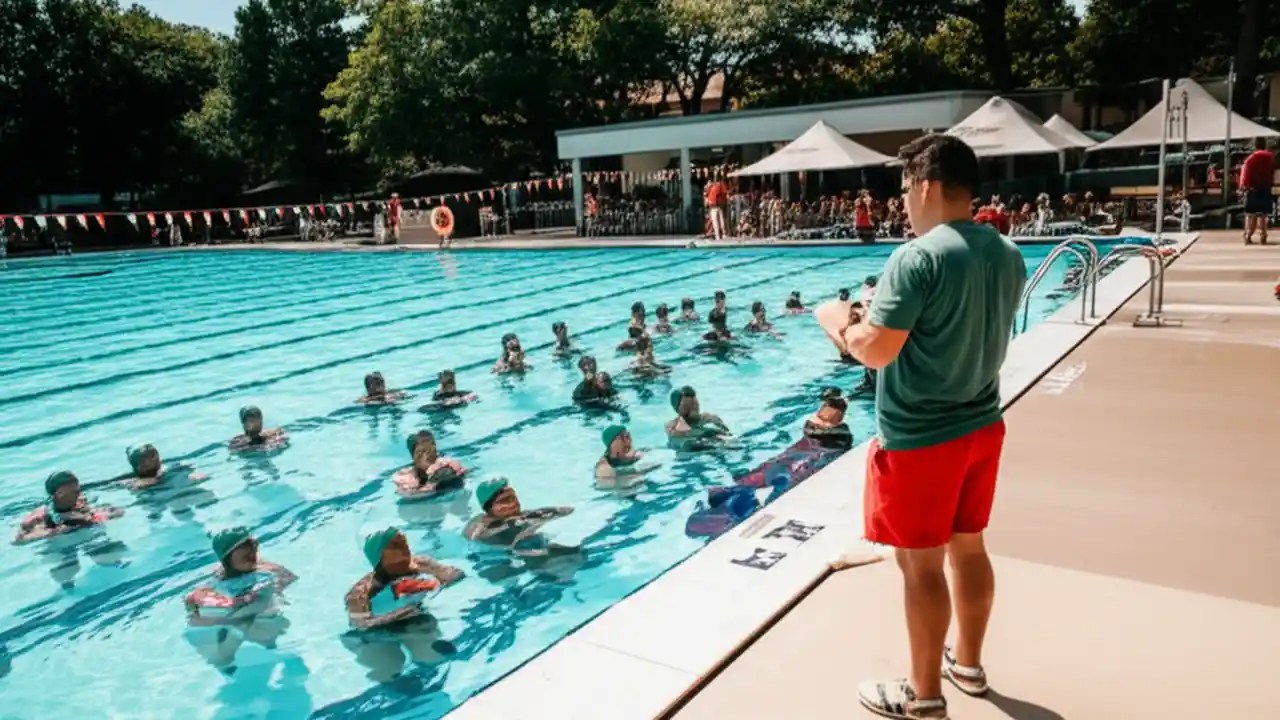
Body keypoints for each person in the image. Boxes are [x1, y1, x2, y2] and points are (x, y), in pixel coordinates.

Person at [845, 134, 1026, 720]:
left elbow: (875, 351)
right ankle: (968, 665)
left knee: (920, 566)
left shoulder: (916, 257)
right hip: (981, 426)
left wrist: (842, 325)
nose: (903, 203)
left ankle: (923, 698)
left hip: (922, 440)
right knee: (968, 550)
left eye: (903, 189)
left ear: (925, 185)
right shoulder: (1006, 252)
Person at [343, 528, 463, 678]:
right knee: (390, 668)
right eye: (395, 550)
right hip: (374, 634)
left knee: (432, 652)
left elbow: (456, 574)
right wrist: (399, 612)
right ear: (379, 559)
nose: (404, 552)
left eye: (404, 545)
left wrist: (433, 584)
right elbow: (361, 625)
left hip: (414, 620)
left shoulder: (420, 565)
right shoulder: (361, 593)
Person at [184, 528, 298, 672]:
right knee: (209, 636)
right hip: (238, 614)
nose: (254, 553)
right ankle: (228, 661)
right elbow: (195, 597)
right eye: (247, 552)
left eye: (254, 547)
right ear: (227, 558)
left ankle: (268, 645)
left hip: (262, 615)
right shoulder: (219, 574)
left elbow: (287, 580)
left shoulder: (265, 571)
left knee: (266, 619)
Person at [463, 478, 577, 557]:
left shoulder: (519, 516)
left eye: (514, 497)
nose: (515, 503)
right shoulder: (484, 529)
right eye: (506, 500)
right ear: (489, 508)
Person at [13, 471, 124, 544]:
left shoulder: (82, 505)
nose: (79, 493)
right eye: (75, 491)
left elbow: (118, 512)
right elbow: (18, 540)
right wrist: (56, 531)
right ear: (60, 493)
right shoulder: (40, 515)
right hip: (59, 544)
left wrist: (97, 518)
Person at [394, 431, 467, 499]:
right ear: (413, 457)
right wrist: (430, 485)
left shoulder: (446, 466)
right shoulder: (406, 476)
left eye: (431, 450)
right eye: (421, 452)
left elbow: (464, 477)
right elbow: (406, 495)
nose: (427, 456)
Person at [665, 386, 731, 450]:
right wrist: (703, 433)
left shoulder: (708, 418)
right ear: (677, 409)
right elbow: (681, 440)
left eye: (695, 405)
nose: (693, 410)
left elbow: (728, 435)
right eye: (688, 407)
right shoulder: (673, 425)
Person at [1241, 137, 1276, 245]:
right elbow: (1273, 172)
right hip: (1265, 187)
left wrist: (1243, 186)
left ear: (1254, 145)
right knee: (1263, 214)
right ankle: (1263, 235)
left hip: (1253, 188)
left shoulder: (1251, 159)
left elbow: (1245, 173)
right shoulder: (1270, 158)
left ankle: (1248, 235)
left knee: (1251, 214)